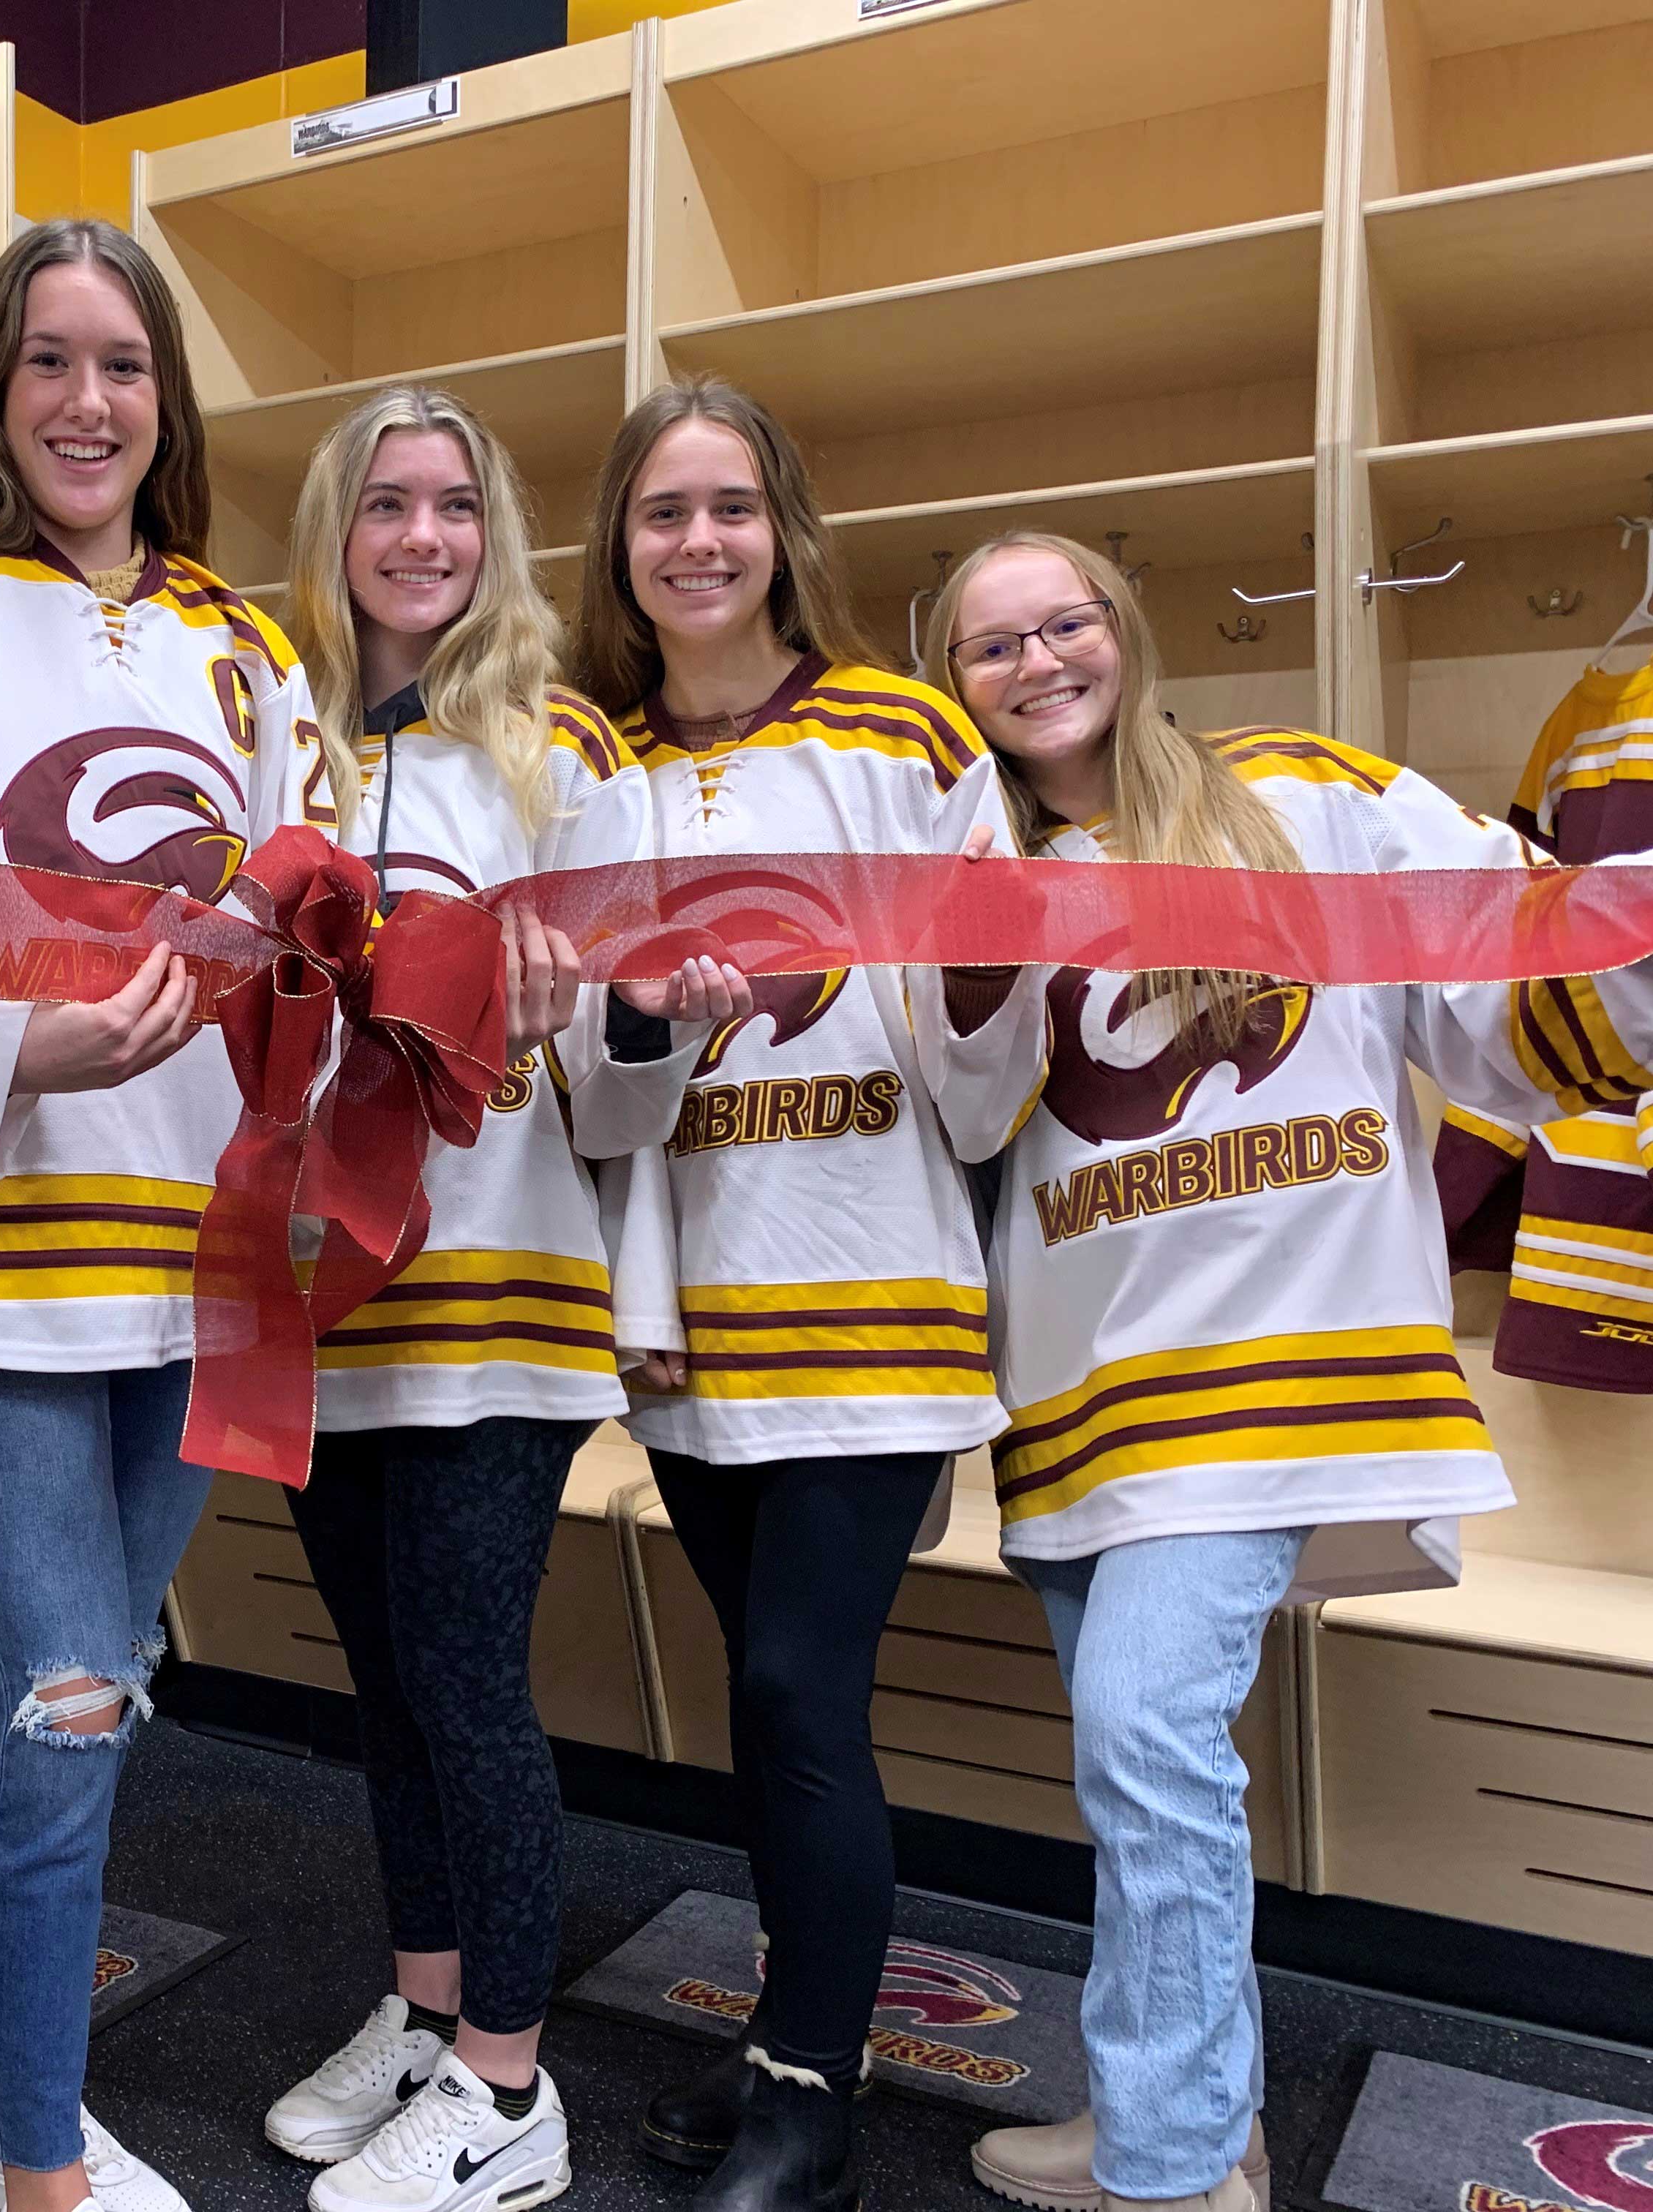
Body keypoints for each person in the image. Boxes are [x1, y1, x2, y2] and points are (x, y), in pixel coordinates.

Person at [913, 533, 1653, 2212]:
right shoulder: (973, 874)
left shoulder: (1309, 793)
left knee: (1144, 1739)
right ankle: (1171, 2105)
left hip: (1274, 1379)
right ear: (956, 686)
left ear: (1127, 630)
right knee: (1136, 1782)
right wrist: (976, 957)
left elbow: (1515, 990)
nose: (1037, 662)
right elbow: (965, 1121)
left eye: (1066, 621)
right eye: (990, 647)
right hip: (1081, 1402)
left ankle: (1178, 2173)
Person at [0, 218, 325, 2212]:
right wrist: (21, 1059)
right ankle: (30, 2152)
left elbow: (316, 905)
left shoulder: (247, 643)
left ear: (165, 400)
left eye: (124, 365)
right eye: (49, 362)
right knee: (67, 1699)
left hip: (197, 1272)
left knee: (100, 1703)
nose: (88, 403)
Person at [257, 384, 745, 2212]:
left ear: (495, 533)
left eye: (457, 505)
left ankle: (510, 2088)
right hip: (322, 1300)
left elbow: (633, 1106)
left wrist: (598, 1018)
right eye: (387, 504)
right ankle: (423, 2010)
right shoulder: (273, 740)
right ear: (339, 529)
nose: (424, 539)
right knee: (386, 1687)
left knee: (467, 1687)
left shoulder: (564, 755)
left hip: (503, 1298)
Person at [568, 373, 1005, 2212]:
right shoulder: (595, 766)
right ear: (624, 547)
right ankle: (783, 2046)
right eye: (664, 513)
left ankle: (812, 2101)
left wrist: (987, 976)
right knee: (768, 1711)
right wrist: (650, 1022)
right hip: (695, 1332)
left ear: (783, 530)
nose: (699, 543)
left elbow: (986, 1077)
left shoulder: (912, 738)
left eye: (730, 507)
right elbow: (593, 1098)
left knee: (798, 1698)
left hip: (877, 1312)